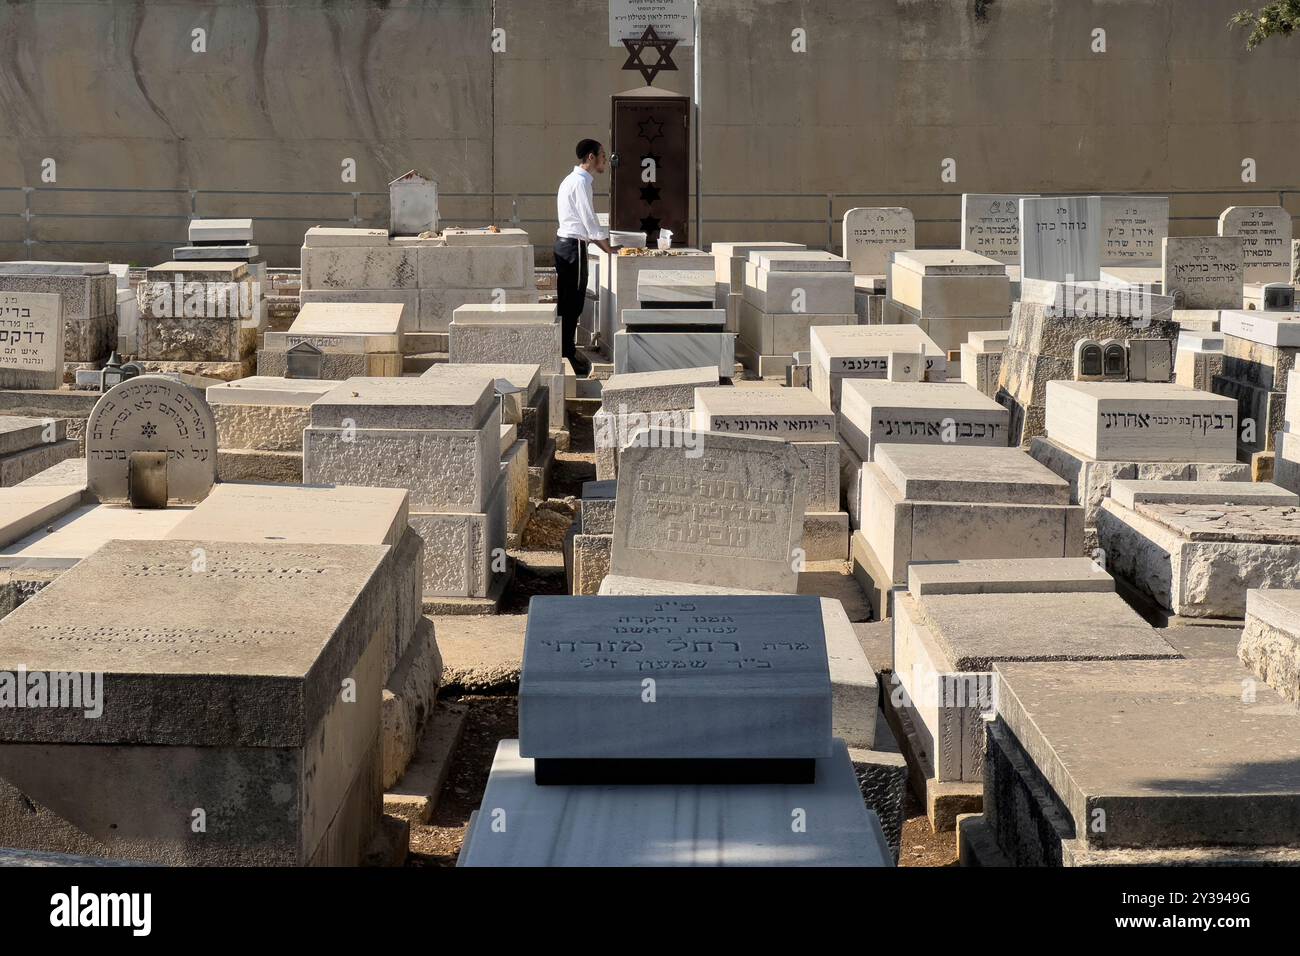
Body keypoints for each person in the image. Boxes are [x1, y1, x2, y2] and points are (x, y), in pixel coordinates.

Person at [555, 139, 617, 375]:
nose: (605, 160)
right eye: (602, 155)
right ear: (590, 157)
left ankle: (566, 350)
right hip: (573, 246)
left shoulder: (573, 180)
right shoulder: (581, 183)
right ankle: (567, 354)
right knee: (572, 303)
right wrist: (607, 247)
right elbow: (589, 220)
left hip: (567, 245)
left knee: (569, 302)